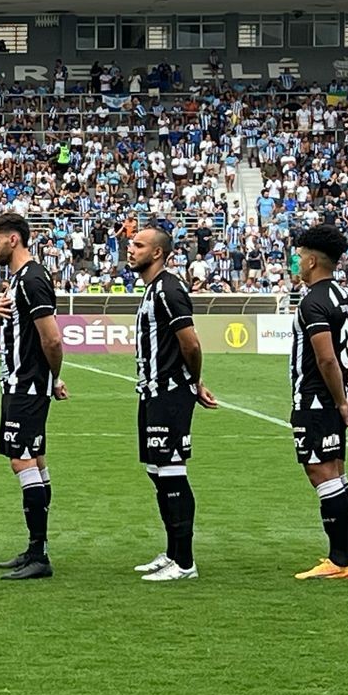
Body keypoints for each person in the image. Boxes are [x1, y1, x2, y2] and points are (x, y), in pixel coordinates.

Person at [127, 223, 217, 582]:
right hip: (151, 391)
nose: (131, 249)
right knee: (157, 472)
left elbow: (191, 344)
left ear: (157, 253)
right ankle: (173, 551)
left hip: (169, 393)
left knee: (172, 472)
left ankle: (185, 562)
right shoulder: (152, 290)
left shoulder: (168, 288)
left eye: (138, 245)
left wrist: (193, 383)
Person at [0, 213, 66, 581]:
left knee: (22, 461)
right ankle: (37, 549)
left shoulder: (33, 278)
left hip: (27, 385)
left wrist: (53, 376)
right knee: (34, 458)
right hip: (18, 382)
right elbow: (20, 330)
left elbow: (51, 338)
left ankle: (39, 554)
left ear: (14, 239)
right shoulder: (18, 280)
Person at [287, 224, 348, 581]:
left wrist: (338, 401)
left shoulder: (313, 301)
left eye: (300, 256)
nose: (297, 262)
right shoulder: (342, 297)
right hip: (335, 400)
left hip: (316, 400)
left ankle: (338, 561)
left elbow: (327, 359)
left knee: (322, 473)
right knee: (338, 474)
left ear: (313, 260)